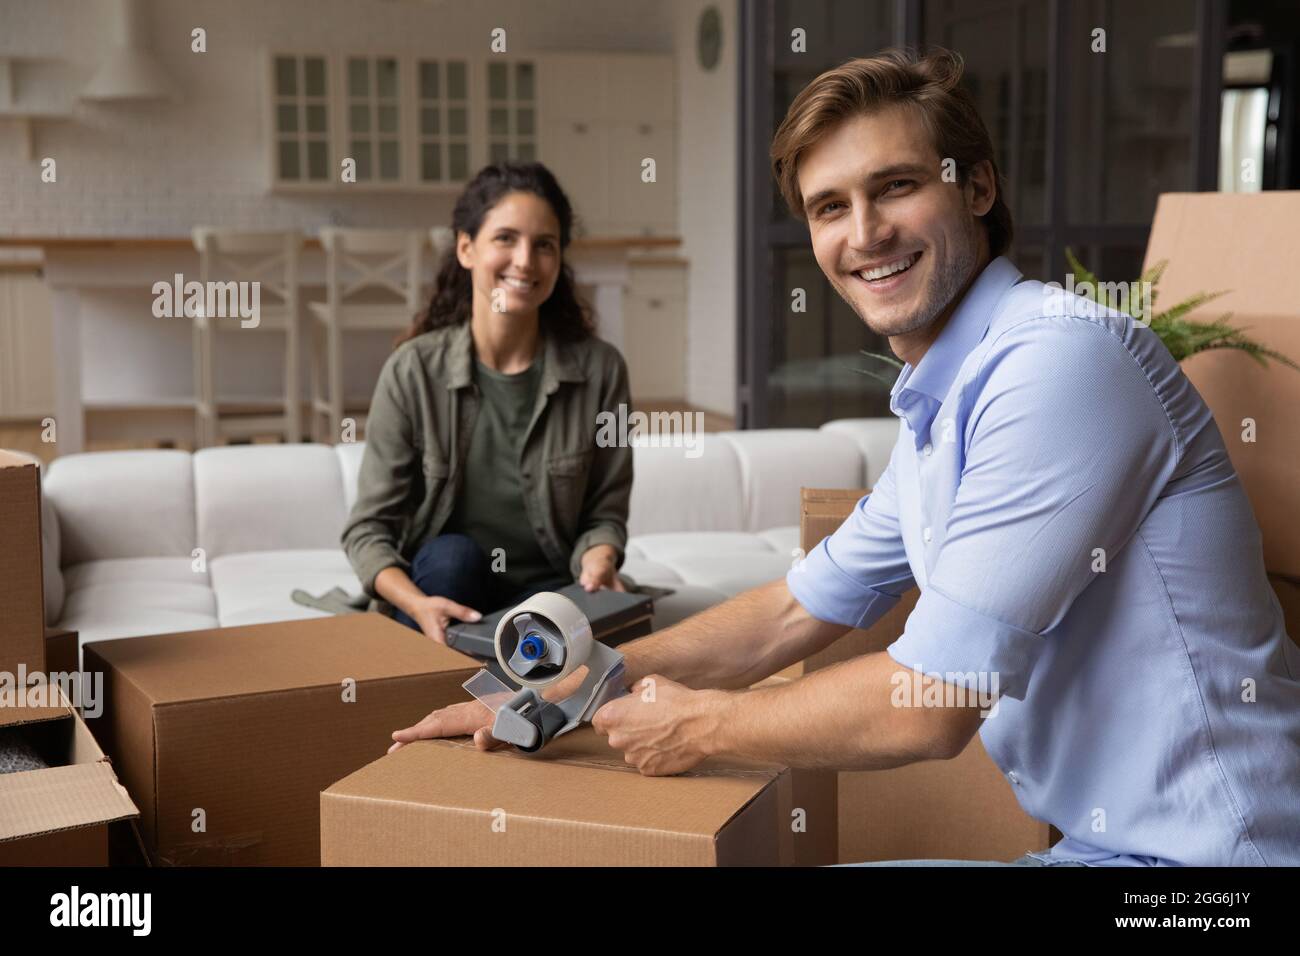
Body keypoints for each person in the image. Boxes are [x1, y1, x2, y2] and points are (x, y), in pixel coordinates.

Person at [390, 50, 1300, 867]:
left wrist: (703, 727)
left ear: (978, 187)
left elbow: (933, 701)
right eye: (830, 207)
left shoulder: (1058, 360)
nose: (863, 233)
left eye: (896, 186)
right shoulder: (948, 404)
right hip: (1106, 853)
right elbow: (792, 611)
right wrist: (562, 688)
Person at [341, 162, 632, 646]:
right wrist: (415, 602)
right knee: (454, 558)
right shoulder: (413, 371)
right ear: (465, 248)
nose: (525, 260)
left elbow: (605, 513)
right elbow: (368, 530)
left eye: (544, 244)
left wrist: (599, 557)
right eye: (505, 238)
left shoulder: (601, 371)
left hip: (554, 592)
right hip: (448, 594)